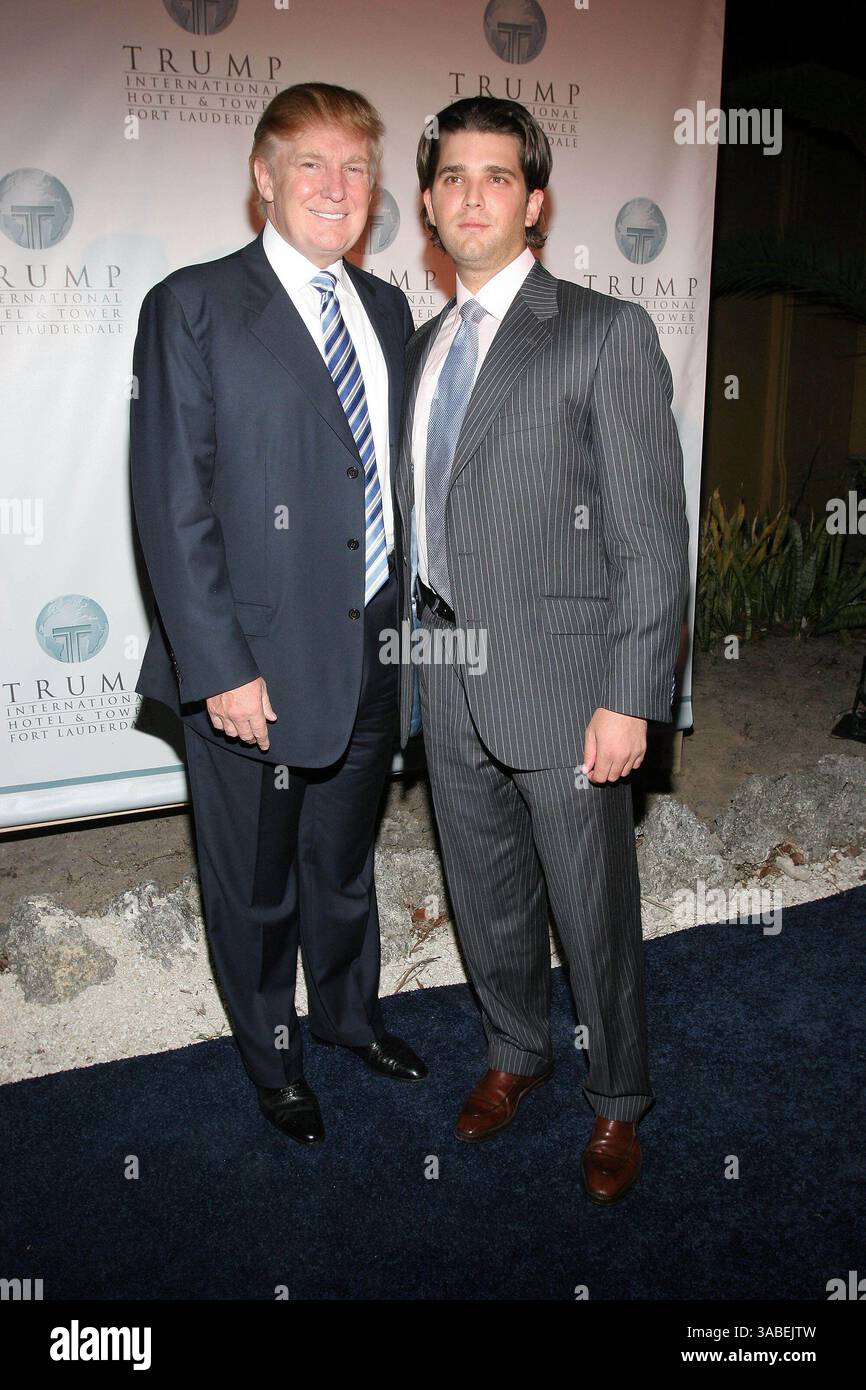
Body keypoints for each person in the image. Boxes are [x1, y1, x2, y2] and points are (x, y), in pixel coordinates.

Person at [395, 96, 690, 1202]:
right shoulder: (417, 348)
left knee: (592, 904)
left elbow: (651, 538)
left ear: (533, 199)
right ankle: (514, 1049)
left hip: (570, 683)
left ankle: (616, 1100)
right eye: (453, 177)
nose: (474, 194)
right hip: (443, 671)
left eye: (497, 176)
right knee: (483, 893)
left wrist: (630, 693)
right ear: (426, 202)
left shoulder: (602, 331)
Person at [130, 82, 426, 1147]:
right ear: (263, 177)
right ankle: (273, 1058)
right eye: (311, 164)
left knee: (340, 870)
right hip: (251, 664)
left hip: (370, 648)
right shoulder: (194, 305)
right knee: (254, 888)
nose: (335, 188)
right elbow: (170, 502)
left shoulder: (387, 308)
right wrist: (217, 667)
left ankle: (348, 1018)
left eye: (355, 167)